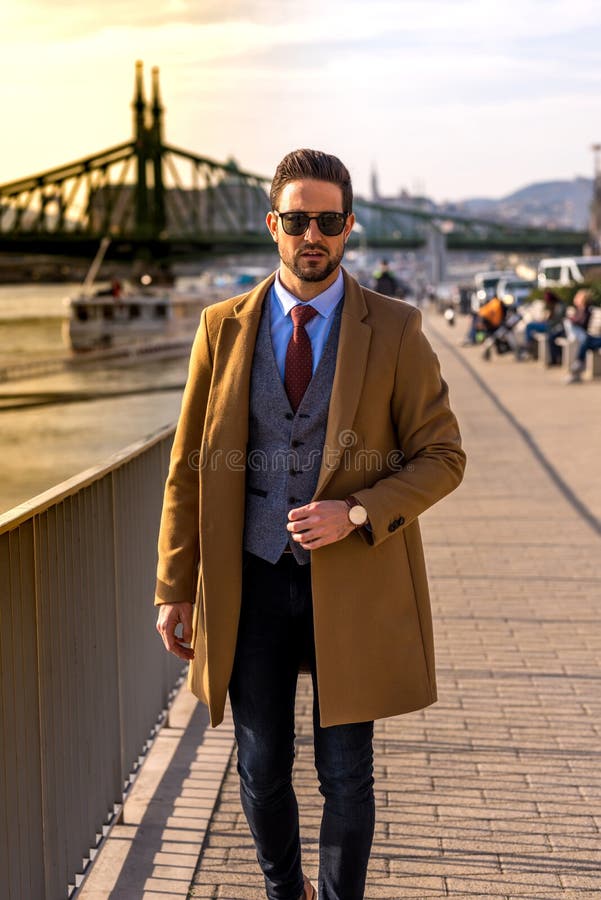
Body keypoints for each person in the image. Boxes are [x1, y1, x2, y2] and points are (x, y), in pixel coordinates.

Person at [154, 149, 466, 900]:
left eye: (328, 221)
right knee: (259, 767)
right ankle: (281, 890)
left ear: (350, 227)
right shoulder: (219, 326)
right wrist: (174, 584)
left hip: (351, 578)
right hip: (250, 579)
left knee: (344, 771)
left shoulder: (393, 327)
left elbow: (442, 455)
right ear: (274, 226)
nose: (312, 235)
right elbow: (190, 465)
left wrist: (357, 510)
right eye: (297, 221)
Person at [521, 289, 566, 364]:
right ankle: (529, 346)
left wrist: (547, 321)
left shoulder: (559, 305)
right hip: (550, 325)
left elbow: (557, 320)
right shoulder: (555, 305)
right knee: (530, 325)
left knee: (530, 326)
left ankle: (528, 346)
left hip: (552, 327)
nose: (545, 300)